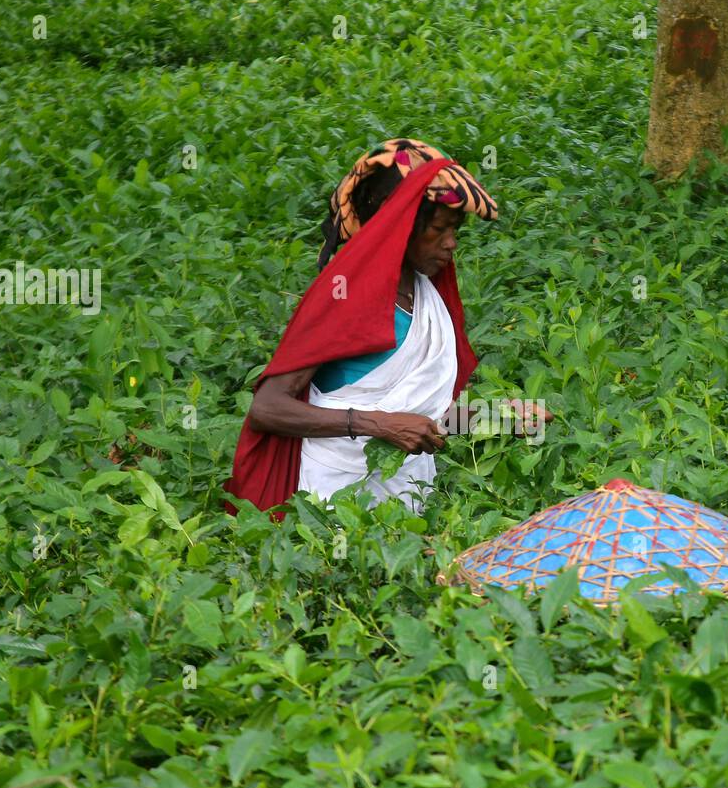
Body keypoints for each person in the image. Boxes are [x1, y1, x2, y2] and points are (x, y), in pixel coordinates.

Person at [222, 137, 550, 520]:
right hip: (328, 504)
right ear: (398, 225)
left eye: (455, 230)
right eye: (440, 229)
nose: (451, 244)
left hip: (409, 501)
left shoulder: (427, 298)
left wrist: (499, 417)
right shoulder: (345, 296)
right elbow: (267, 408)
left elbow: (422, 420)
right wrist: (376, 424)